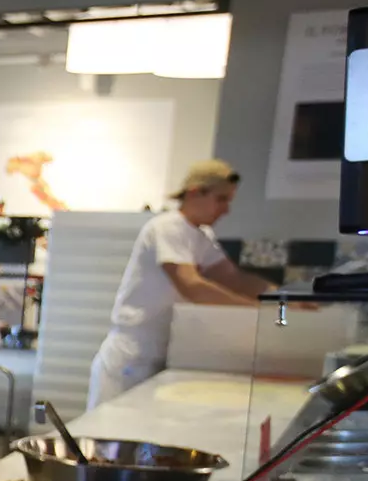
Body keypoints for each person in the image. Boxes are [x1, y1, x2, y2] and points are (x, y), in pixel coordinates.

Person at [88, 159, 271, 406]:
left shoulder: (200, 236)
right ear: (196, 192)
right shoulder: (167, 226)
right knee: (109, 439)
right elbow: (191, 286)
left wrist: (281, 299)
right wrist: (259, 311)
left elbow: (233, 279)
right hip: (132, 355)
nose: (226, 210)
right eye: (221, 199)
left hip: (161, 352)